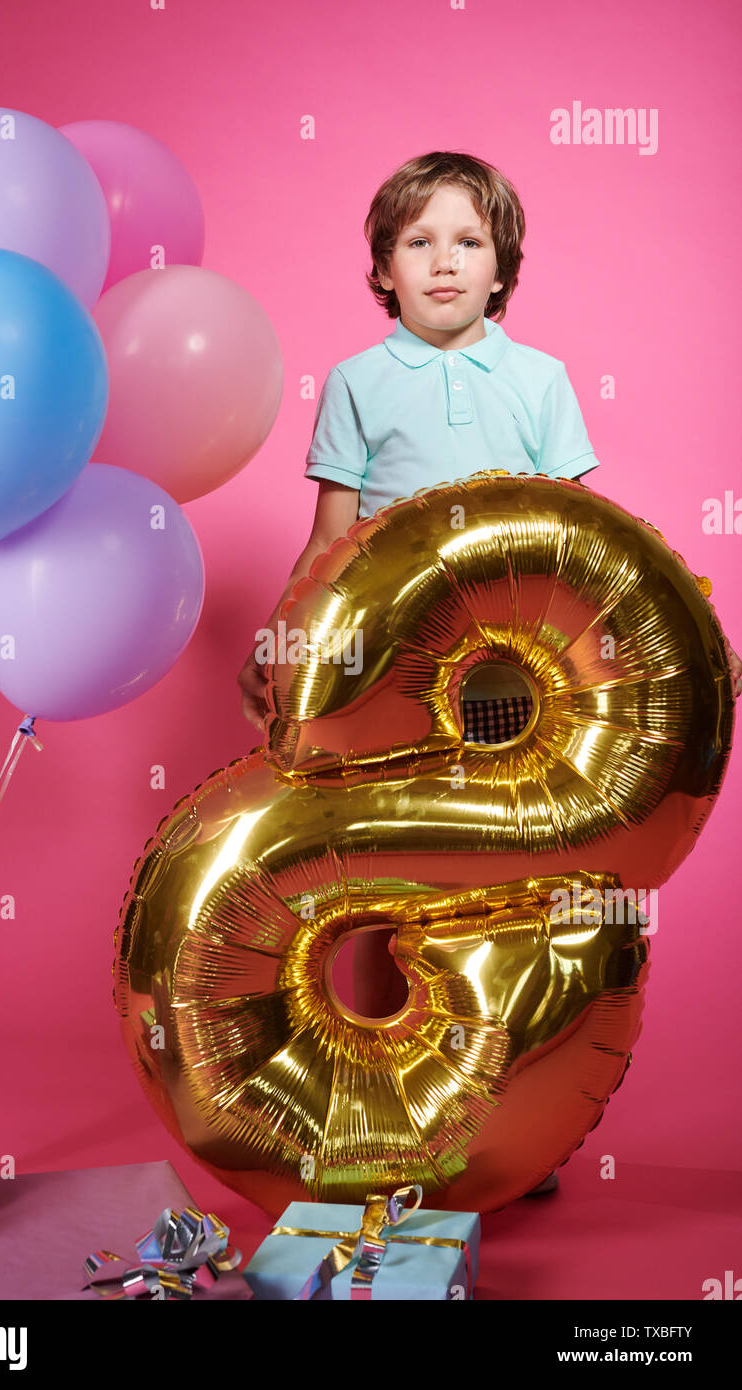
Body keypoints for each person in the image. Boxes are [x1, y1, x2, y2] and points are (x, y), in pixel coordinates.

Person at [236, 151, 742, 1197]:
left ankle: (509, 1110)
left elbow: (585, 549)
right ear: (381, 268)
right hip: (389, 686)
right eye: (417, 242)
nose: (443, 263)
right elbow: (328, 539)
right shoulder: (355, 382)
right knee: (388, 882)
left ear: (502, 265)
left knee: (512, 886)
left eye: (466, 241)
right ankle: (395, 1108)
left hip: (513, 687)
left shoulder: (539, 379)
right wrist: (280, 642)